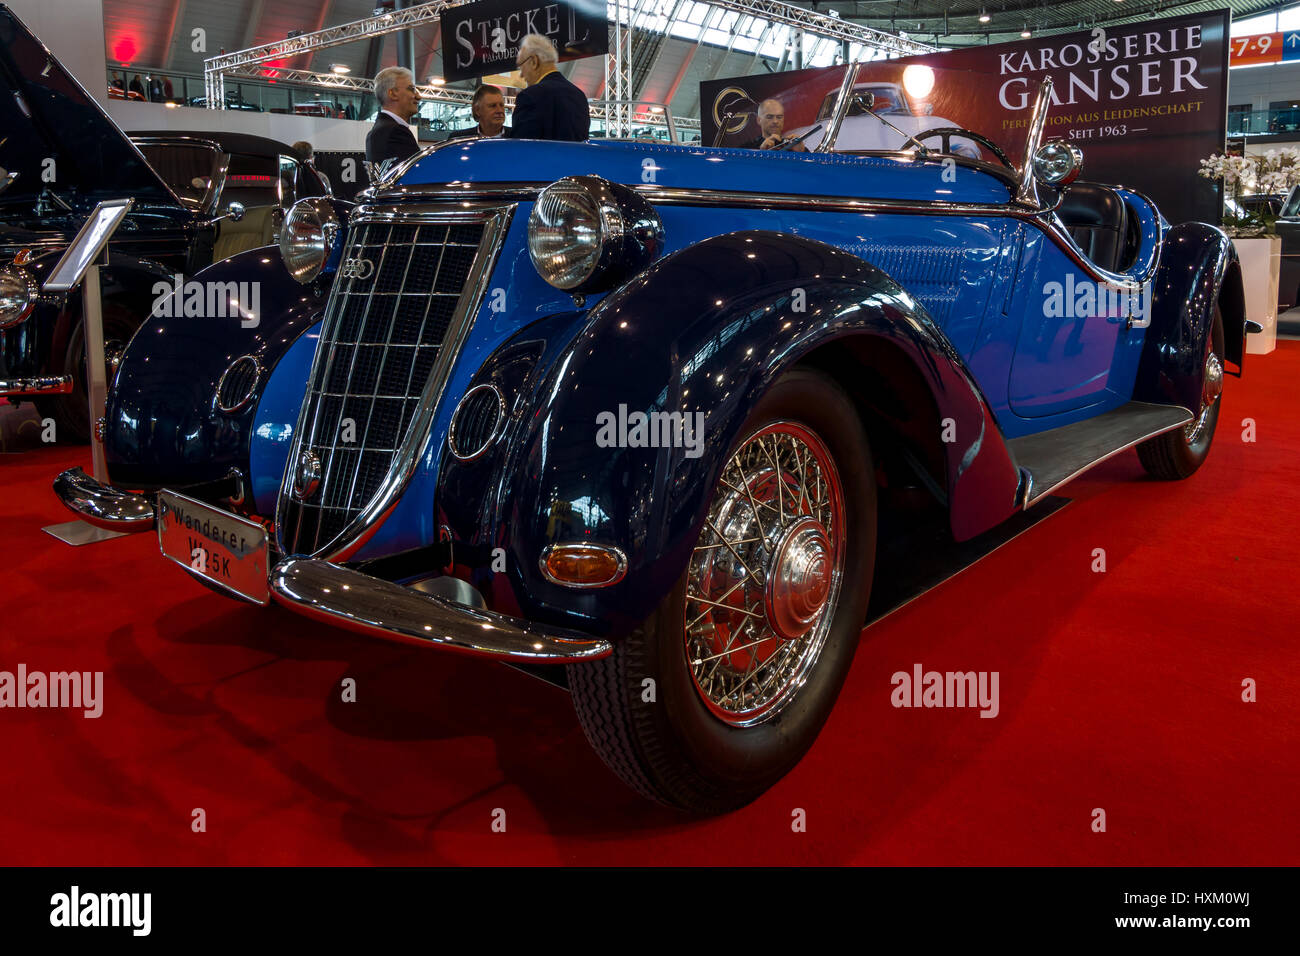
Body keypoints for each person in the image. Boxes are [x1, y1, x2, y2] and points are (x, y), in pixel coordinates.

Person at [507, 34, 588, 142]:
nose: (521, 75)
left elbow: (520, 149)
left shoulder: (529, 96)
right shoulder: (579, 96)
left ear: (534, 61)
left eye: (521, 66)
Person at [366, 66, 421, 166]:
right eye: (412, 89)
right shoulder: (396, 131)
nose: (419, 96)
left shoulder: (379, 130)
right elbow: (417, 175)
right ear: (393, 94)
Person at [740, 99, 807, 152]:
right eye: (769, 117)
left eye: (779, 117)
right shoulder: (745, 150)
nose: (775, 121)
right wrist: (761, 153)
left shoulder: (793, 146)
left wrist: (802, 152)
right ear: (759, 120)